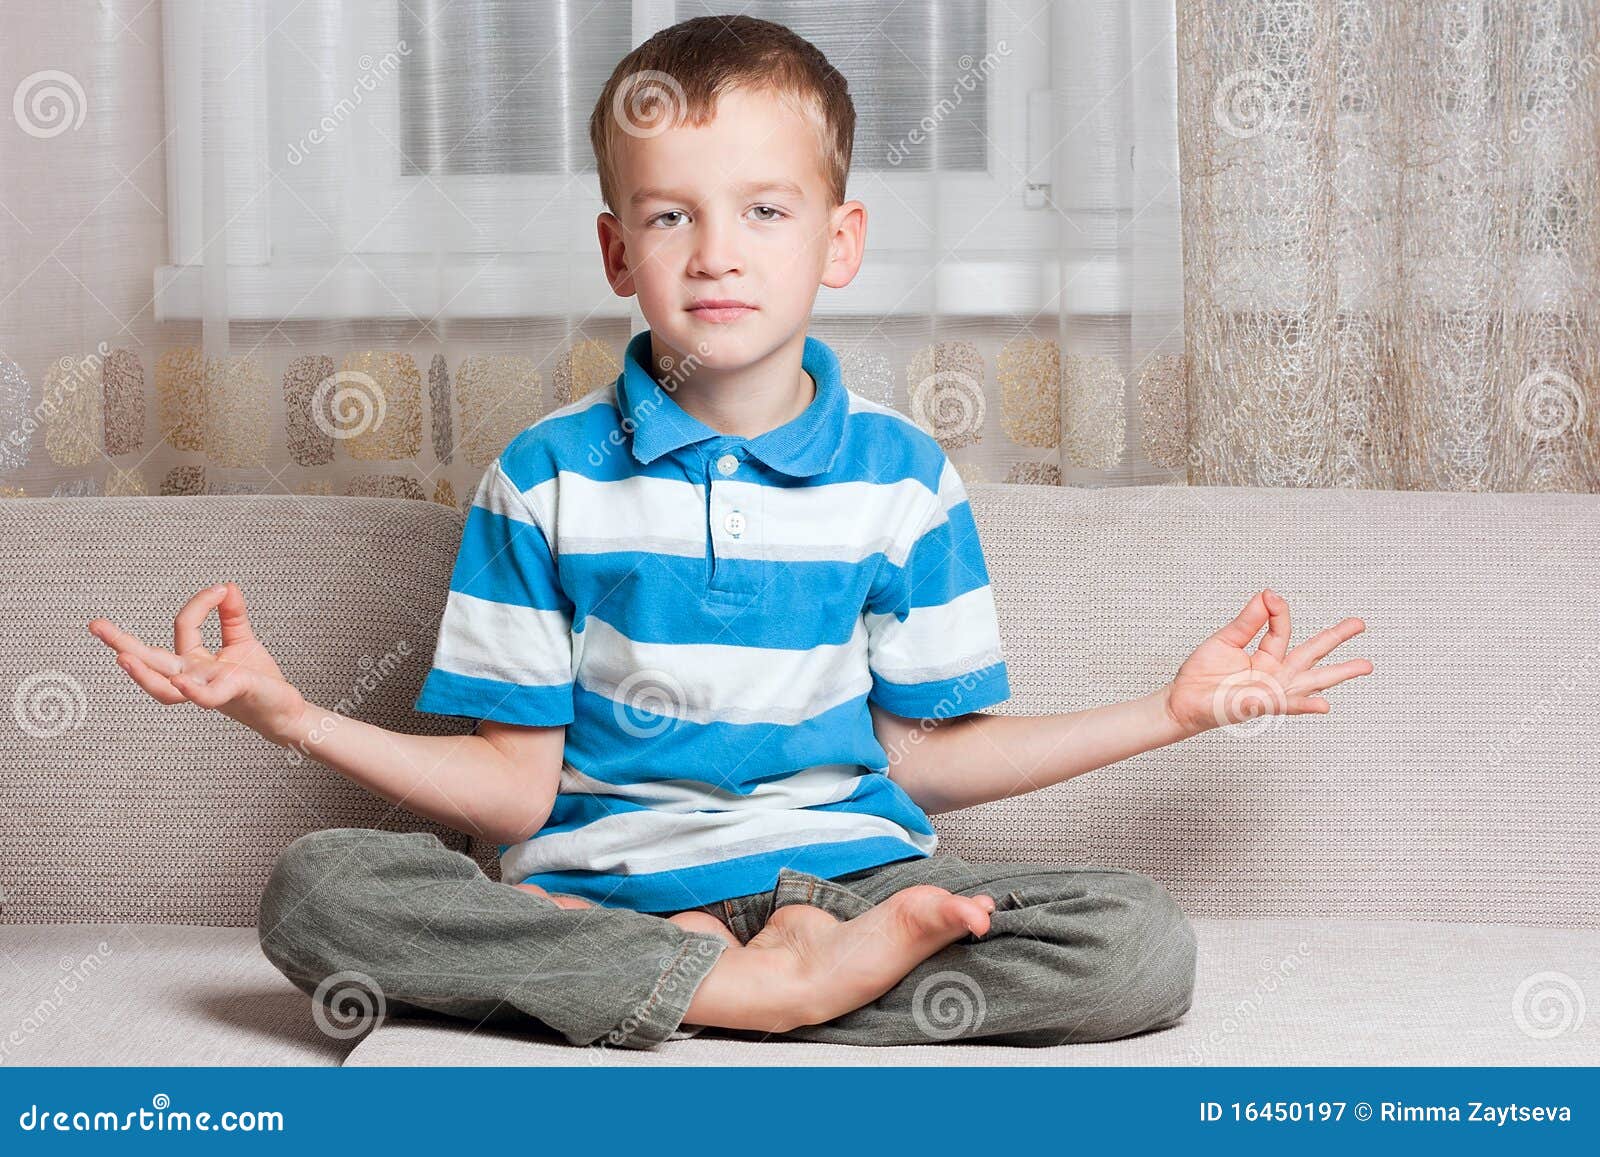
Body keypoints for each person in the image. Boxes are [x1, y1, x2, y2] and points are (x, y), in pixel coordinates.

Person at [87, 14, 1373, 1052]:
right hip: (595, 888)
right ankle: (745, 991)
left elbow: (926, 762)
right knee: (319, 889)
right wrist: (290, 714)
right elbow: (514, 791)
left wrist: (1176, 709)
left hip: (845, 883)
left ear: (839, 240)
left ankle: (719, 978)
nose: (716, 254)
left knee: (1136, 938)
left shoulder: (902, 479)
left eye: (765, 211)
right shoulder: (539, 481)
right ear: (615, 249)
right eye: (669, 215)